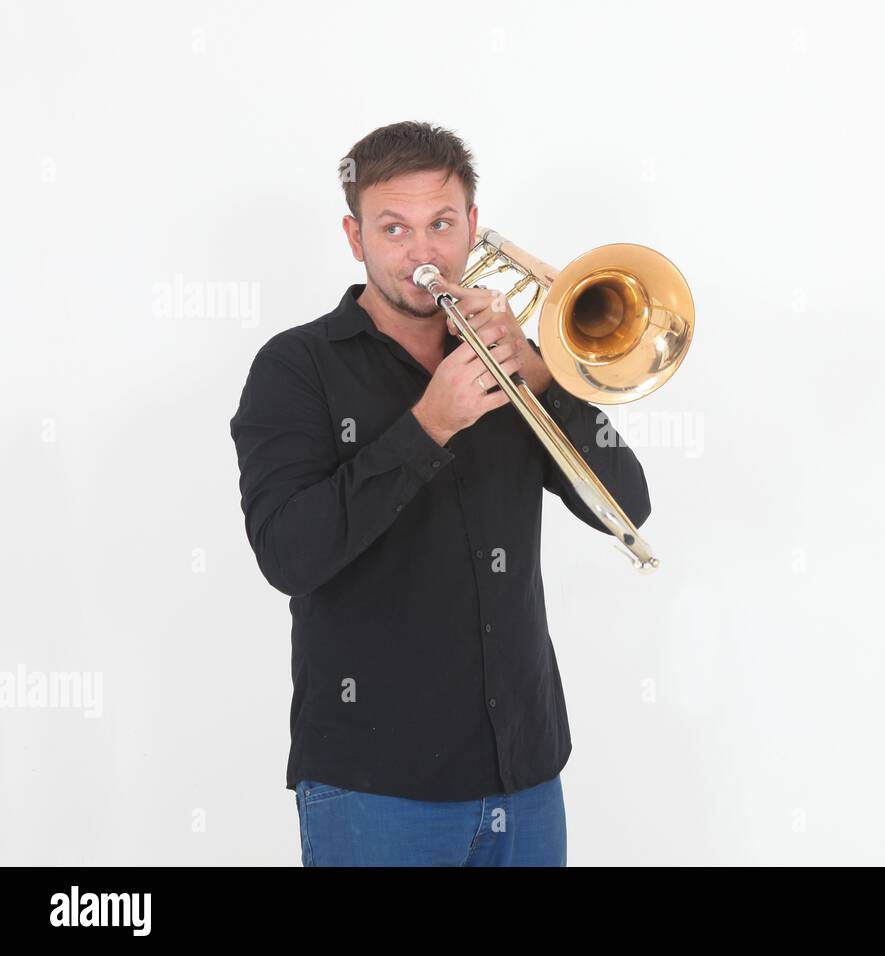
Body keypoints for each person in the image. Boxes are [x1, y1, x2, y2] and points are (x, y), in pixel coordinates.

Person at [229, 121, 652, 866]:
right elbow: (288, 554)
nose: (423, 253)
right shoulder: (296, 369)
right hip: (375, 785)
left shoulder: (509, 359)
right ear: (354, 237)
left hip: (524, 775)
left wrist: (544, 377)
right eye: (394, 229)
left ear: (474, 228)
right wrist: (427, 426)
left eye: (441, 224)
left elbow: (626, 504)